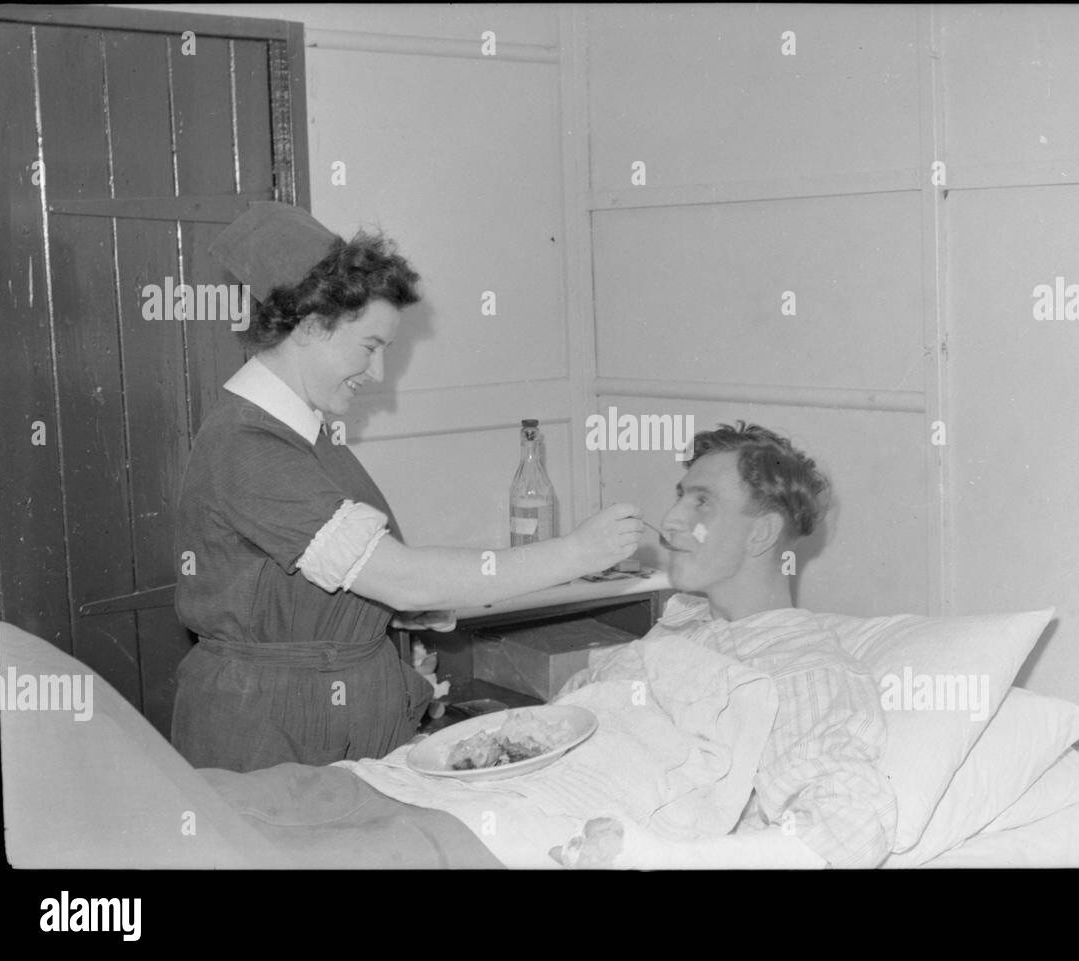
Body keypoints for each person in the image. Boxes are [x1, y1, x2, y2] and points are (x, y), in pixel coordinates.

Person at [171, 202, 640, 773]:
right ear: (311, 326)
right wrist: (576, 554)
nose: (378, 375)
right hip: (273, 734)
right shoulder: (249, 446)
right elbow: (404, 577)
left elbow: (305, 576)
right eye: (370, 347)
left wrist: (382, 614)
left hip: (320, 719)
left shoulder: (304, 431)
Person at [555, 422, 896, 868]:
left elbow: (844, 826)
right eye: (681, 496)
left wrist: (655, 858)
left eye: (701, 502)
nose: (672, 518)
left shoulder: (800, 670)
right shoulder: (684, 625)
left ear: (761, 534)